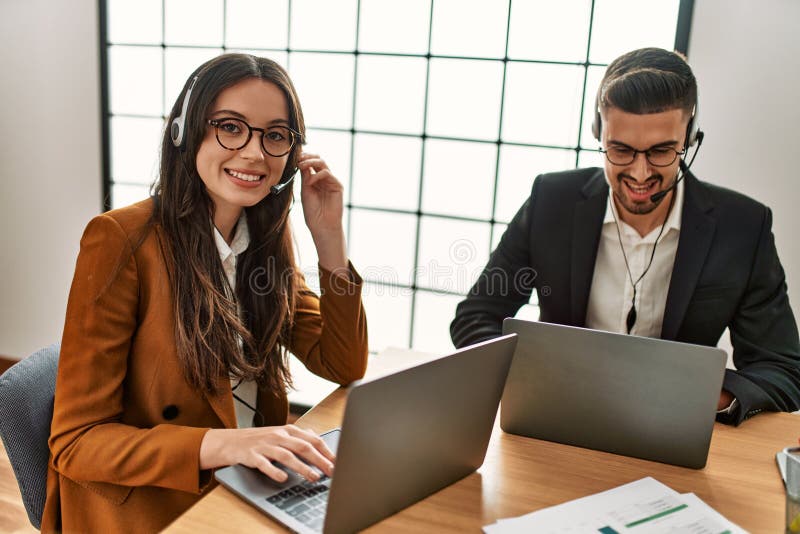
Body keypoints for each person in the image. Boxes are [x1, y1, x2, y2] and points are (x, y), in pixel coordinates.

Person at [42, 53, 368, 533]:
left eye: (275, 135)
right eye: (231, 127)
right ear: (185, 132)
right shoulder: (120, 241)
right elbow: (76, 443)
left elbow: (343, 364)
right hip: (156, 508)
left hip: (248, 486)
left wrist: (330, 242)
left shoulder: (264, 238)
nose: (255, 153)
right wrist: (224, 444)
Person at [450, 47, 800, 426]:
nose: (639, 173)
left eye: (662, 151)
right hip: (558, 421)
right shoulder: (551, 201)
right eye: (621, 150)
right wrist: (536, 374)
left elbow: (782, 370)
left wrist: (702, 394)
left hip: (675, 431)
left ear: (690, 137)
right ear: (599, 134)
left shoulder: (743, 227)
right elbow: (475, 317)